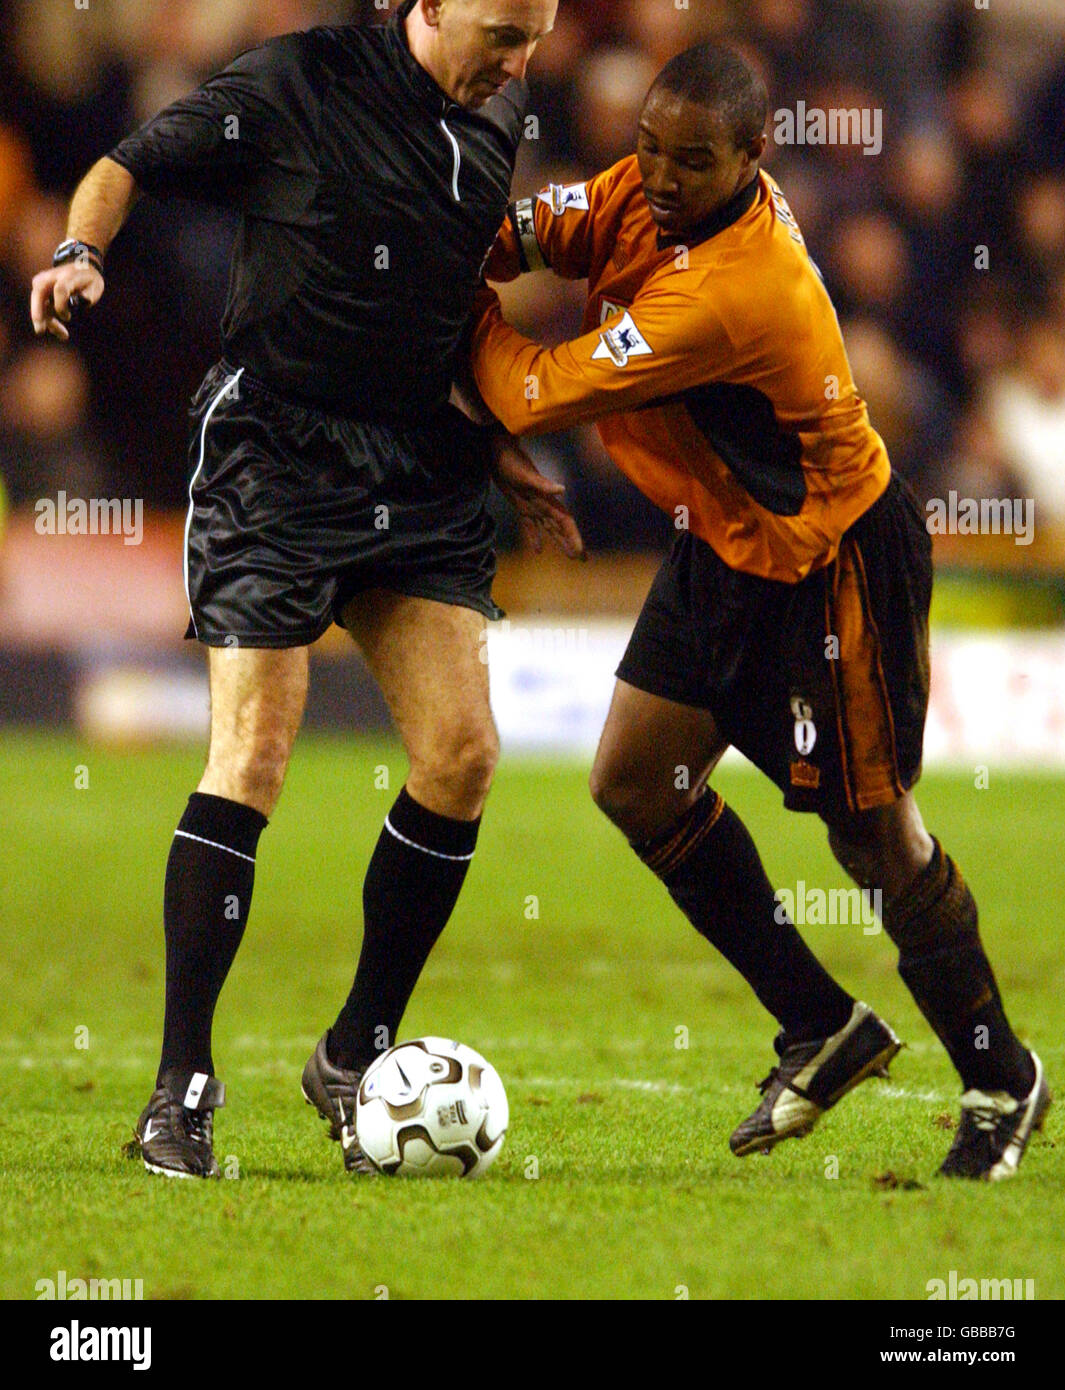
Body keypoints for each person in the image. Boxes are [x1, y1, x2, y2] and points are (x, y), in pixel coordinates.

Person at [468, 41, 1050, 1179]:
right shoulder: (645, 186)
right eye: (647, 150)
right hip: (726, 542)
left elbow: (529, 387)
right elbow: (537, 229)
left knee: (870, 836)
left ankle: (998, 1075)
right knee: (634, 779)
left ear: (754, 157)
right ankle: (819, 1022)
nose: (661, 178)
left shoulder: (734, 290)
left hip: (831, 560)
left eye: (692, 162)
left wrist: (457, 311)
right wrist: (456, 247)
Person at [29, 0, 580, 1180]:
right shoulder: (297, 81)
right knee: (255, 758)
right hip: (275, 453)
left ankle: (351, 1054)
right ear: (425, 7)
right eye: (499, 33)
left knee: (463, 757)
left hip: (421, 460)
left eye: (532, 37)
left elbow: (452, 294)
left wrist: (500, 441)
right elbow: (125, 163)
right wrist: (81, 252)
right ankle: (180, 1087)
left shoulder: (504, 107)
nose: (520, 61)